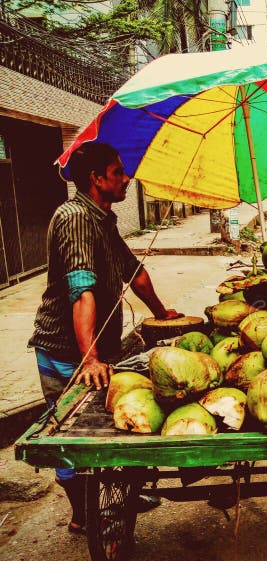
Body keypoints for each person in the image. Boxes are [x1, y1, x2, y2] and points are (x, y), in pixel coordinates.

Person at [29, 142, 183, 534]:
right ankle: (83, 513)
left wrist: (161, 313)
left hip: (94, 346)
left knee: (113, 421)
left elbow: (135, 272)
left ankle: (119, 491)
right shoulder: (76, 218)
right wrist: (91, 357)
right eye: (117, 172)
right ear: (97, 179)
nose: (125, 177)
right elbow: (82, 289)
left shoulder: (102, 218)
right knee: (71, 434)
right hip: (65, 349)